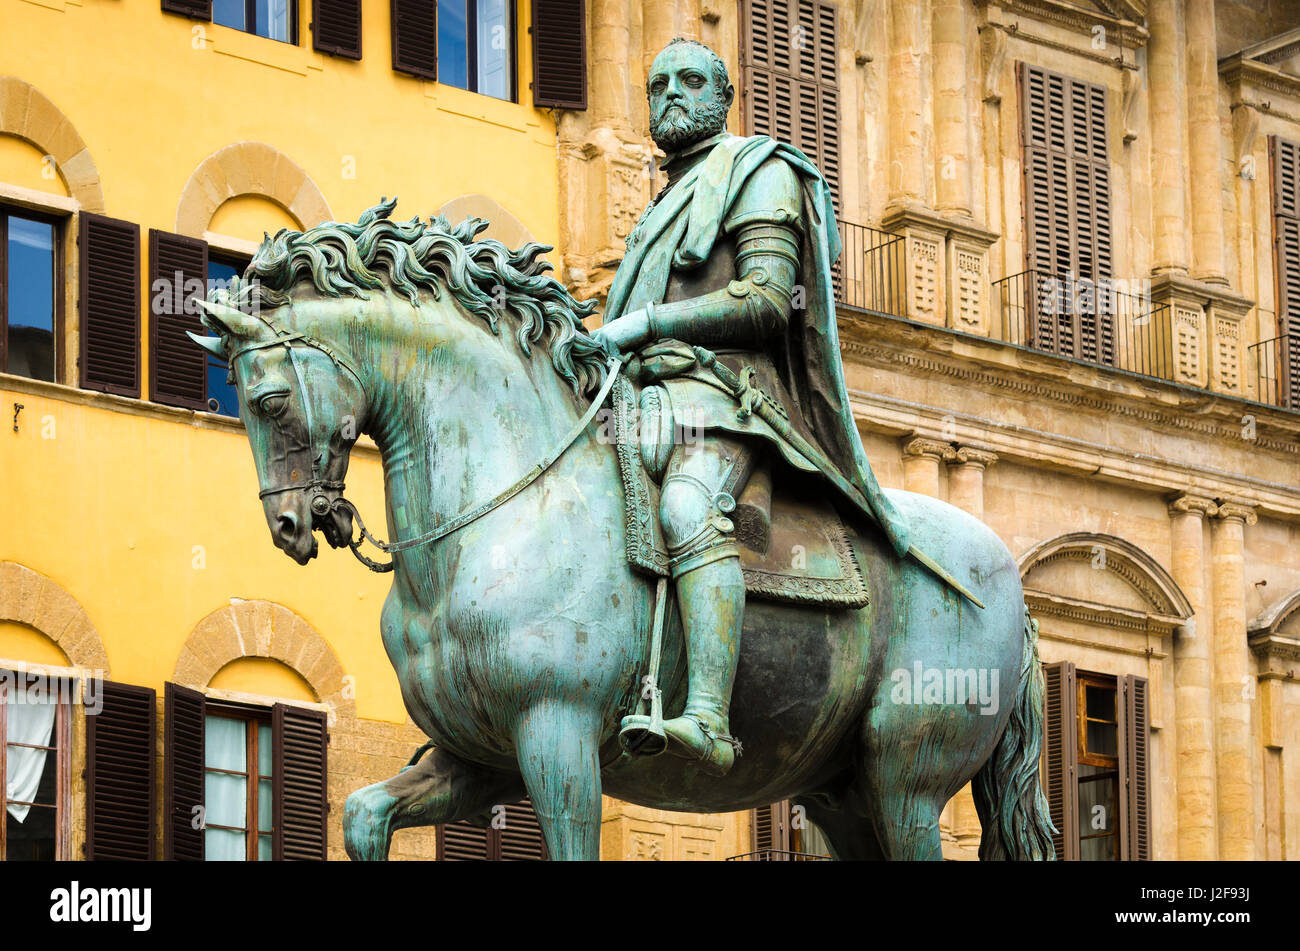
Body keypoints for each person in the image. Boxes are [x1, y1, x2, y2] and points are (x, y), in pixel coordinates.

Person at [594, 38, 910, 776]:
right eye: (659, 82)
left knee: (686, 507)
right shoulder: (665, 200)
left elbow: (768, 298)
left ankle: (706, 713)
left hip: (726, 398)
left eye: (691, 80)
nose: (672, 92)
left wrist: (645, 326)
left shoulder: (758, 170)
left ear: (724, 95)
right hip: (642, 397)